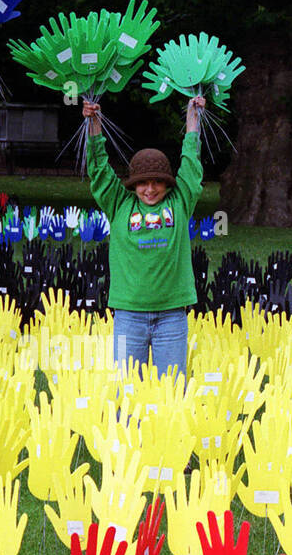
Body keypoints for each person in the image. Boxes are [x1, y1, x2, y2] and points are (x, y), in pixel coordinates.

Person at [83, 95, 205, 382]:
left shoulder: (180, 203)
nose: (150, 189)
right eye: (143, 183)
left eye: (157, 182)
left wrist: (193, 117)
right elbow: (100, 171)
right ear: (133, 184)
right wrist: (93, 123)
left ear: (168, 183)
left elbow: (191, 165)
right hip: (129, 316)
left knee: (172, 391)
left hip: (172, 316)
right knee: (126, 392)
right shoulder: (119, 204)